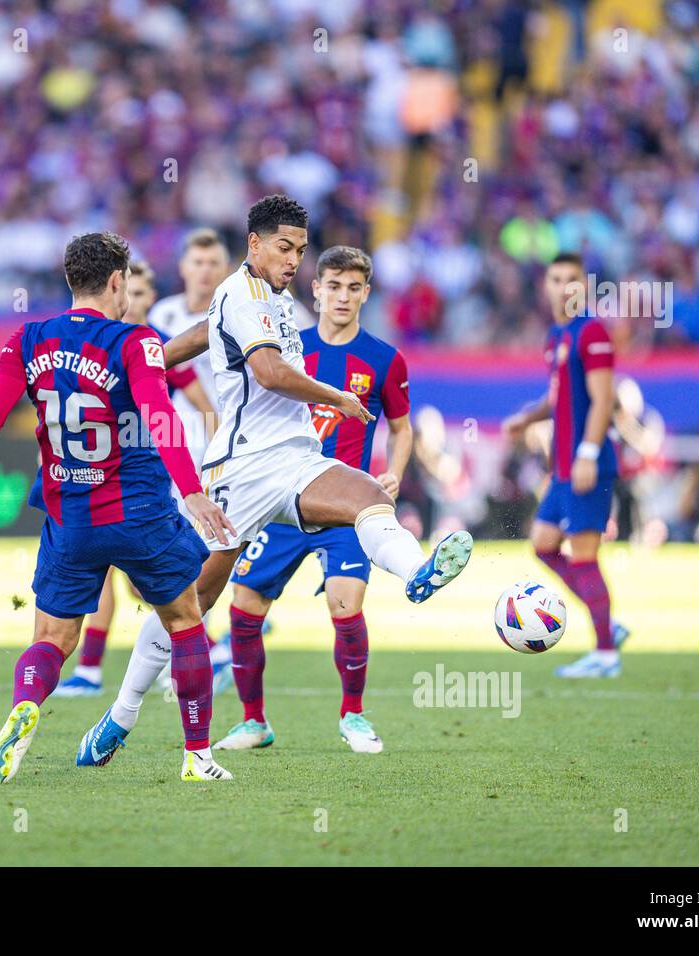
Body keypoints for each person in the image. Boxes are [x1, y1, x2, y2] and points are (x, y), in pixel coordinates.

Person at [77, 195, 472, 768]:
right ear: (254, 244)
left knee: (365, 494)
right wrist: (336, 395)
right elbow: (266, 371)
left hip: (294, 459)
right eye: (284, 248)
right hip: (240, 468)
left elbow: (199, 337)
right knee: (190, 601)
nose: (294, 261)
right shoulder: (241, 292)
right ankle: (121, 714)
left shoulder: (272, 301)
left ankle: (418, 573)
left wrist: (150, 359)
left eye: (300, 251)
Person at [0, 232, 236, 784]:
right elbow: (160, 417)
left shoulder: (27, 339)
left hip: (71, 519)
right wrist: (190, 490)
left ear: (70, 281)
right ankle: (197, 757)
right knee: (186, 623)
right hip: (140, 516)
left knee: (51, 642)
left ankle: (26, 707)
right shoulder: (134, 342)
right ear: (118, 281)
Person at [216, 245, 410, 755]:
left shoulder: (384, 359)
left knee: (347, 603)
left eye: (353, 288)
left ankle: (354, 715)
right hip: (281, 498)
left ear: (366, 293)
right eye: (333, 286)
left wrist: (394, 472)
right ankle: (253, 721)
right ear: (316, 290)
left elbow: (402, 426)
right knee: (244, 605)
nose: (342, 297)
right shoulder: (287, 350)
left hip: (342, 505)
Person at [56, 257, 225, 697]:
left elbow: (201, 406)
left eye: (144, 289)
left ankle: (204, 645)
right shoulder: (94, 346)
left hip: (147, 476)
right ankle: (93, 669)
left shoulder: (160, 346)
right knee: (118, 573)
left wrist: (214, 460)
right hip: (102, 473)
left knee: (135, 580)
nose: (135, 295)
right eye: (133, 286)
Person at [501, 252, 629, 678]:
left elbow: (604, 398)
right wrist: (526, 417)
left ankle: (606, 653)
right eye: (556, 279)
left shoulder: (592, 332)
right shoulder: (557, 334)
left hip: (586, 463)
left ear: (584, 286)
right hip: (562, 469)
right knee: (542, 544)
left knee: (584, 557)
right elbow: (559, 399)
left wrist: (589, 453)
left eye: (572, 279)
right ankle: (606, 623)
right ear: (546, 286)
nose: (564, 287)